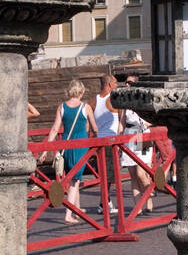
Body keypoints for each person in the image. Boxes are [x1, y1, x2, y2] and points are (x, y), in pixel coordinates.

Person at [48, 79, 98, 225]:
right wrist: (96, 139)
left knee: (73, 178)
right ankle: (68, 214)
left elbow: (55, 129)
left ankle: (76, 210)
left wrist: (46, 149)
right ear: (81, 92)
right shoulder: (85, 107)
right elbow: (94, 127)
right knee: (75, 182)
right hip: (81, 146)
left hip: (66, 145)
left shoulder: (62, 107)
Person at [89, 74, 122, 217]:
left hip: (99, 141)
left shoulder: (94, 100)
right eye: (115, 82)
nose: (117, 85)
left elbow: (87, 119)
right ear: (109, 84)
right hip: (111, 141)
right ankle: (104, 204)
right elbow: (122, 119)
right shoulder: (113, 99)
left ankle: (105, 202)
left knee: (105, 175)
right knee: (109, 176)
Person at [120, 75, 153, 213]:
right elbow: (121, 122)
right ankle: (138, 206)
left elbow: (153, 119)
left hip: (142, 133)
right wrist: (119, 141)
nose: (127, 85)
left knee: (141, 171)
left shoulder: (144, 99)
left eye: (130, 83)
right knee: (133, 172)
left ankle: (149, 196)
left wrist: (144, 124)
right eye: (126, 83)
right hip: (129, 134)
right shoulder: (123, 102)